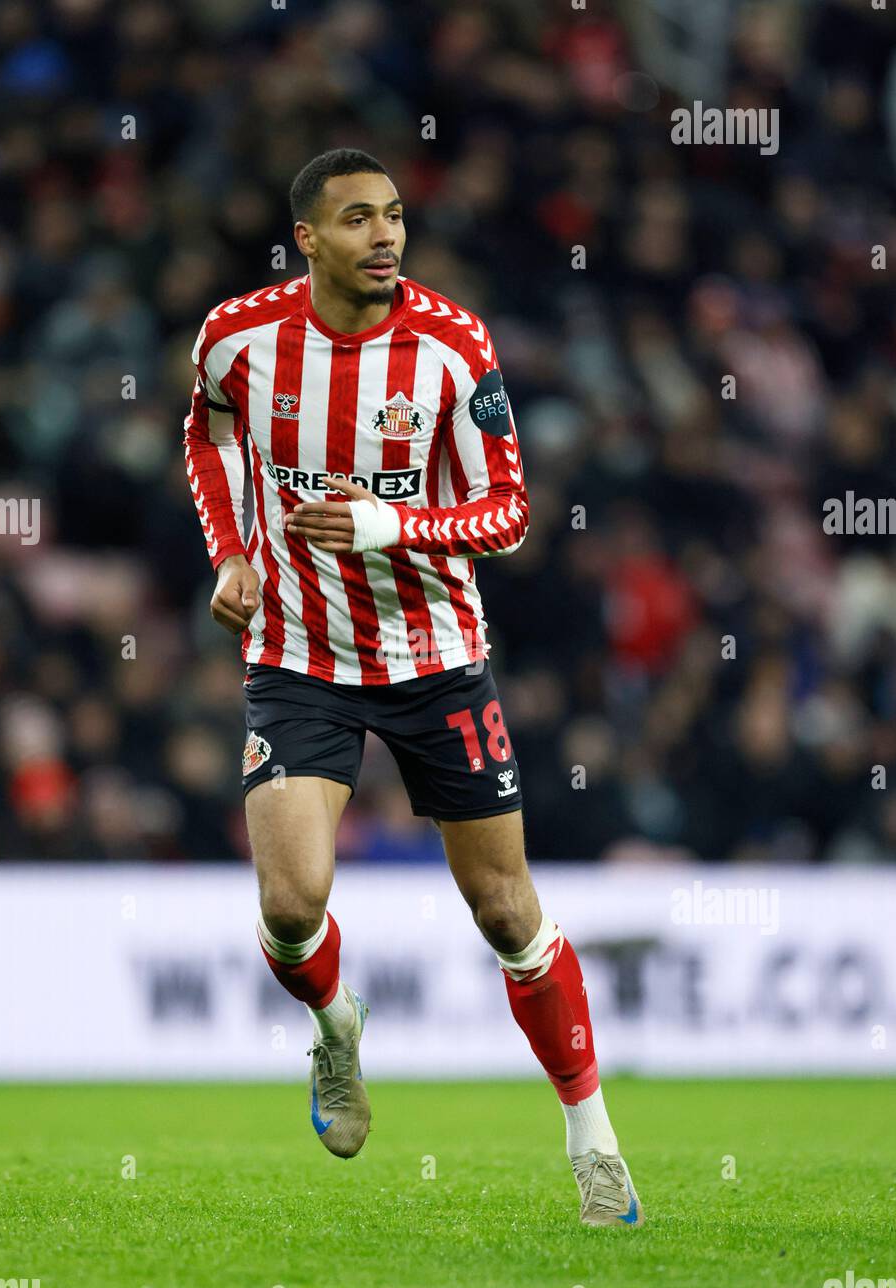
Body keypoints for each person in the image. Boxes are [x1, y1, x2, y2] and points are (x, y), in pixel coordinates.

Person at [182, 147, 643, 1227]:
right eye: (356, 220)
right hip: (299, 656)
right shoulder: (236, 338)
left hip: (436, 657)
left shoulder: (451, 343)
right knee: (291, 907)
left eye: (393, 217)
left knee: (506, 910)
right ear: (307, 239)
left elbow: (509, 512)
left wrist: (392, 521)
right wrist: (234, 550)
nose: (384, 236)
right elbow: (204, 441)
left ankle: (593, 1140)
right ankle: (338, 1024)